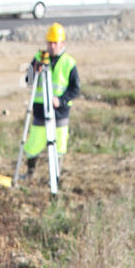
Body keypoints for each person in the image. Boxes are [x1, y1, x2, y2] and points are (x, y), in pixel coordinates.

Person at [24, 21, 80, 182]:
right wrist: (35, 69)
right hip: (41, 110)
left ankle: (55, 176)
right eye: (50, 42)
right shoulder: (38, 58)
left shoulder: (69, 62)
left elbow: (75, 89)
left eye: (55, 43)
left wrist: (61, 100)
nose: (52, 46)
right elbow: (27, 81)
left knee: (59, 145)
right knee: (34, 143)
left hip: (60, 111)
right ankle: (30, 172)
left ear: (62, 43)